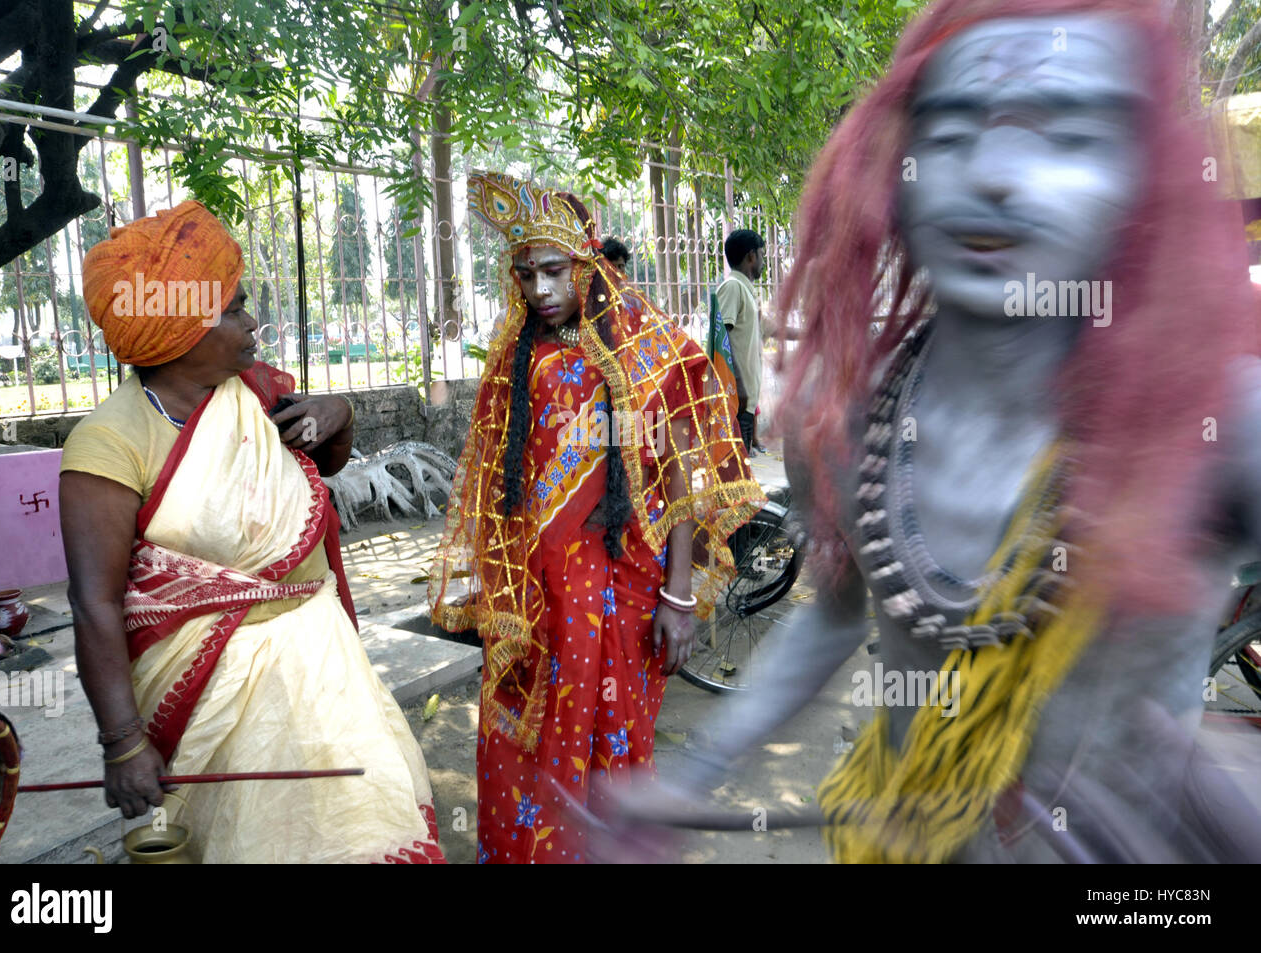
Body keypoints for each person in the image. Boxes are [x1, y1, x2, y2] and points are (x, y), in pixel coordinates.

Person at [612, 0, 1261, 863]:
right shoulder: (843, 419)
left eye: (1064, 134)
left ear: (1141, 177)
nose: (993, 173)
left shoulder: (1212, 420)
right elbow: (835, 616)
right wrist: (696, 775)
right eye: (951, 132)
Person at [59, 200, 444, 863]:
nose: (251, 323)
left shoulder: (259, 393)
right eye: (235, 308)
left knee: (365, 826)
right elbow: (94, 602)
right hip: (216, 694)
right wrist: (121, 741)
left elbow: (326, 459)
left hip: (326, 662)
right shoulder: (109, 442)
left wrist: (338, 411)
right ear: (181, 326)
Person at [428, 172, 764, 863]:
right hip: (534, 595)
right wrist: (497, 587)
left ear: (587, 265)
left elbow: (675, 481)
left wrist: (677, 596)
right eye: (526, 275)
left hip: (622, 589)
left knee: (610, 747)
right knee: (519, 747)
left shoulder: (645, 353)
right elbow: (496, 485)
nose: (540, 289)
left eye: (554, 270)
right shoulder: (516, 361)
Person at [714, 229, 765, 454]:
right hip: (737, 399)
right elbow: (721, 338)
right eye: (762, 255)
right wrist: (739, 385)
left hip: (745, 402)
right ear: (751, 256)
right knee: (735, 470)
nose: (764, 261)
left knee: (742, 471)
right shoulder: (732, 287)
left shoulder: (745, 290)